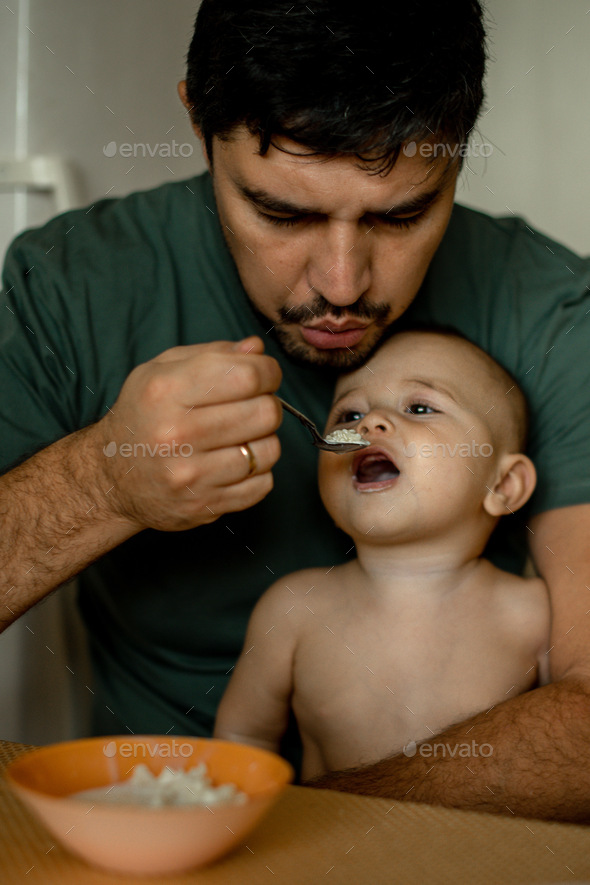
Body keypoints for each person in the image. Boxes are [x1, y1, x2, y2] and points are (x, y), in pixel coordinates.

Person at [1, 0, 590, 821]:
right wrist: (100, 481)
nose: (342, 285)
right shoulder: (66, 287)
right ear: (197, 121)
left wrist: (305, 831)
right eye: (282, 212)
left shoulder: (554, 310)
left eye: (402, 214)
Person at [214, 329, 551, 779]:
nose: (369, 422)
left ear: (503, 485)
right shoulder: (295, 609)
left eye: (419, 407)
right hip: (333, 847)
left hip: (485, 849)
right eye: (349, 412)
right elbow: (243, 740)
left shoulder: (531, 614)